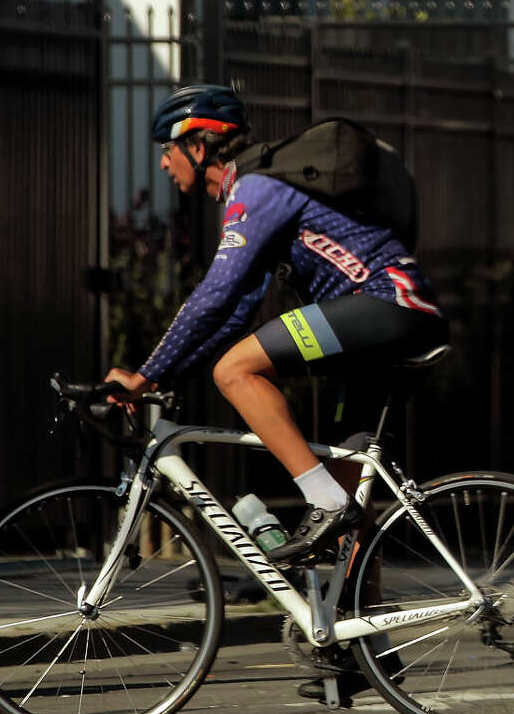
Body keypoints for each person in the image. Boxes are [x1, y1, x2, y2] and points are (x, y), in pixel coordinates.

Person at [104, 84, 448, 569]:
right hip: (390, 316)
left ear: (198, 147)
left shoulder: (256, 189)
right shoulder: (262, 189)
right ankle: (354, 614)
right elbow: (236, 311)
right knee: (348, 491)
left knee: (234, 371)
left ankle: (324, 503)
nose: (164, 164)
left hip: (385, 302)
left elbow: (215, 294)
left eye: (168, 149)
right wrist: (166, 376)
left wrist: (145, 375)